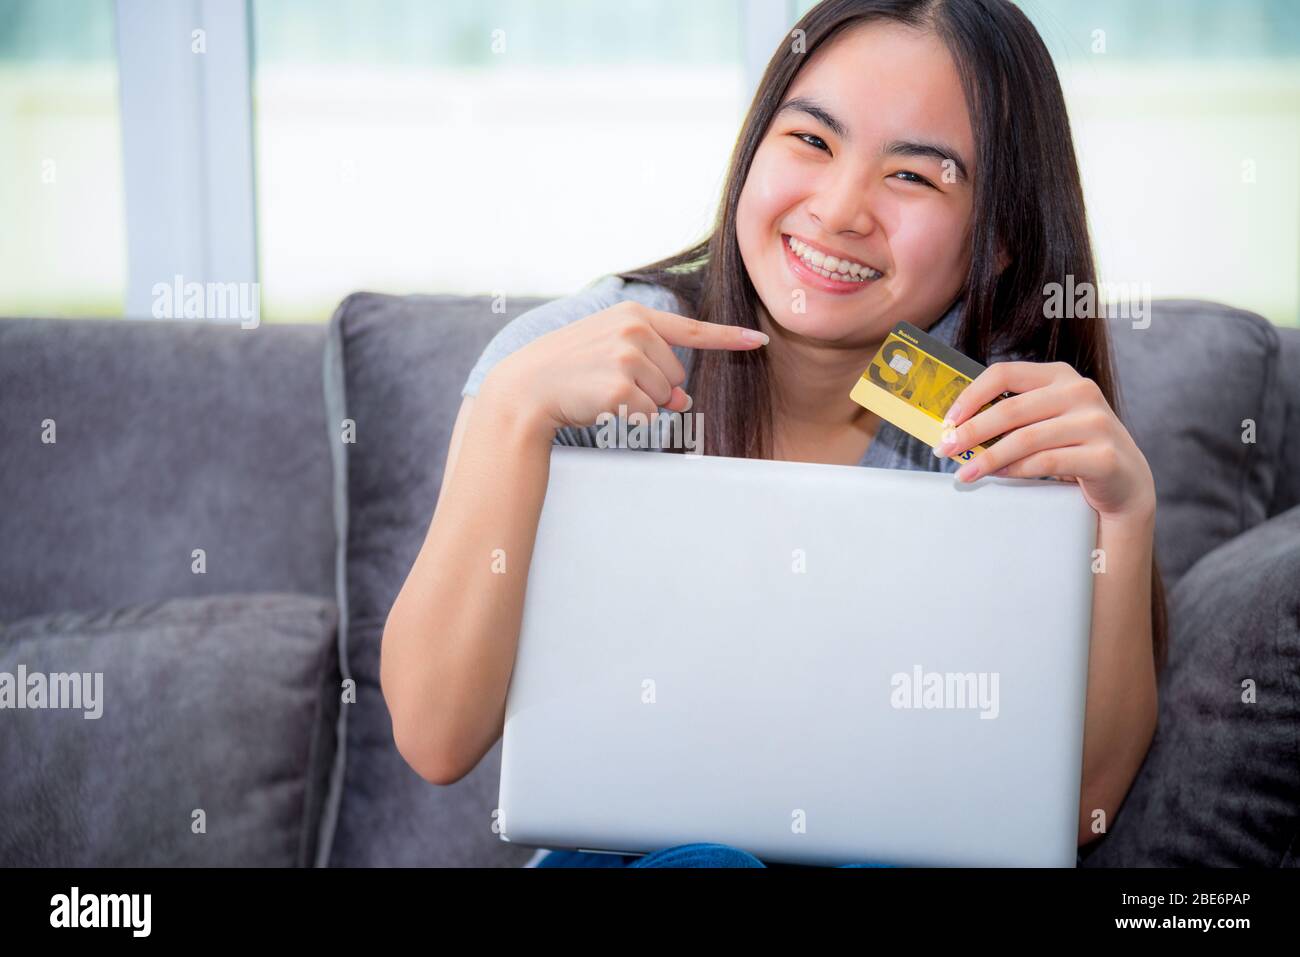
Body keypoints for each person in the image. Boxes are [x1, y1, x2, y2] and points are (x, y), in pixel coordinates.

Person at [381, 0, 1168, 868]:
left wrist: (1123, 519)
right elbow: (435, 736)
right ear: (753, 150)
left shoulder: (1006, 424)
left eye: (914, 176)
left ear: (999, 244)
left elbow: (1076, 814)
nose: (838, 210)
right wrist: (507, 410)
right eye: (812, 141)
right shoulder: (571, 366)